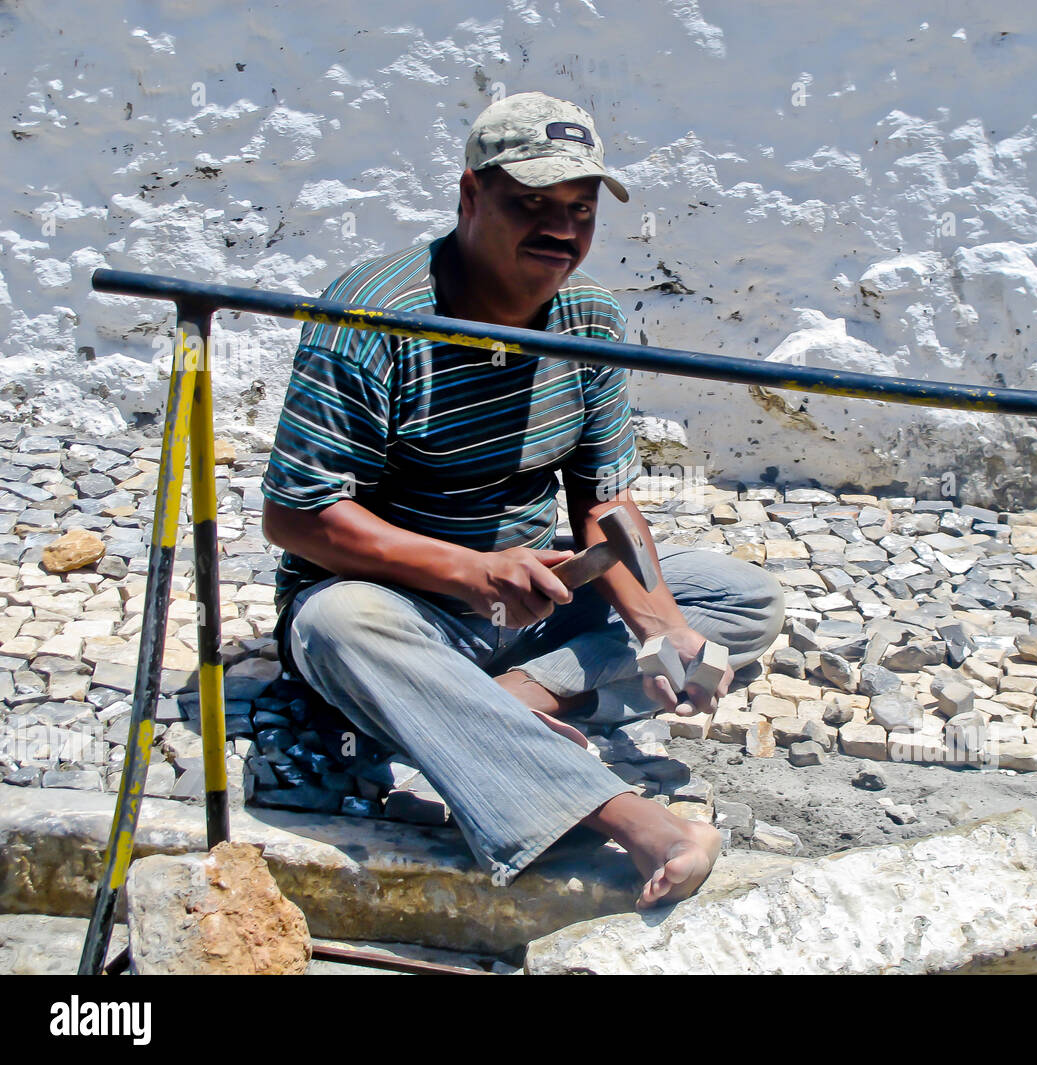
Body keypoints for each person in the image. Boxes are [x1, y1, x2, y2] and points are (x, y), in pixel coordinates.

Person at [260, 91, 784, 909]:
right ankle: (634, 819)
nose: (561, 231)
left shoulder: (589, 319)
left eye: (579, 210)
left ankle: (492, 712)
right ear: (471, 195)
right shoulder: (372, 316)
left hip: (543, 598)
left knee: (738, 597)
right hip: (407, 609)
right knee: (334, 626)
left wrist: (658, 626)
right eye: (531, 205)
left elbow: (604, 500)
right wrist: (468, 570)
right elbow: (296, 513)